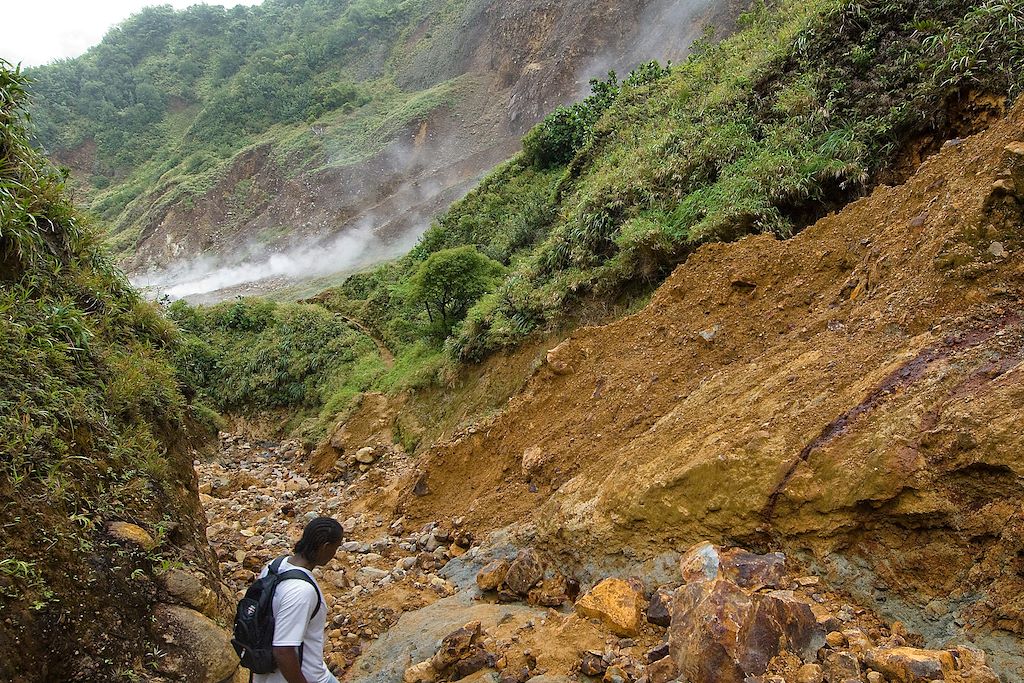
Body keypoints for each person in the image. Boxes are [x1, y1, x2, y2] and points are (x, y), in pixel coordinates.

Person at [253, 517, 343, 683]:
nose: (334, 554)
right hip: (304, 677)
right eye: (335, 548)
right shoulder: (302, 591)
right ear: (325, 547)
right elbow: (283, 650)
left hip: (262, 672)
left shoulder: (274, 566)